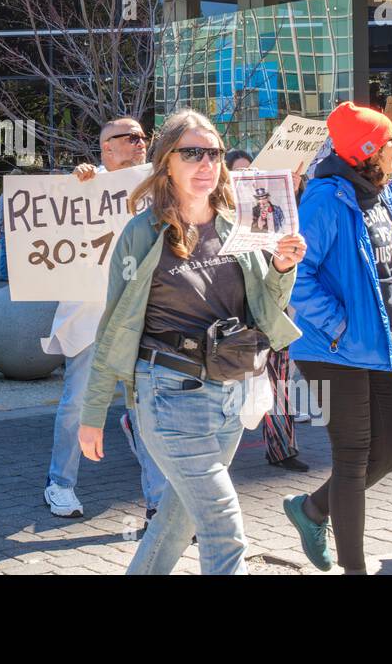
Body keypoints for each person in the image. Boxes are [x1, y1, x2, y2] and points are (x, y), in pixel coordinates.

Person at [77, 110, 305, 575]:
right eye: (192, 153)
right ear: (166, 163)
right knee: (222, 521)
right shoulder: (142, 233)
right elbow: (114, 328)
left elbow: (265, 304)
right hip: (168, 395)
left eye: (214, 153)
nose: (206, 163)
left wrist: (283, 267)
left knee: (179, 519)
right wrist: (92, 415)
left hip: (230, 391)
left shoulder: (236, 225)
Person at [281, 102, 392, 575]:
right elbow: (299, 279)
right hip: (333, 348)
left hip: (377, 344)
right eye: (390, 143)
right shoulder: (325, 198)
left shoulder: (378, 193)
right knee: (353, 457)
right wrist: (341, 325)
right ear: (368, 150)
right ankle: (354, 569)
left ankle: (312, 510)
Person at [43, 116, 166, 521]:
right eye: (131, 138)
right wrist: (78, 180)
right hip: (93, 316)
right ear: (106, 148)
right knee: (78, 402)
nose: (141, 143)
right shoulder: (87, 185)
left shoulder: (158, 186)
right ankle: (60, 483)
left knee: (147, 405)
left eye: (143, 137)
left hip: (143, 315)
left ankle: (158, 504)